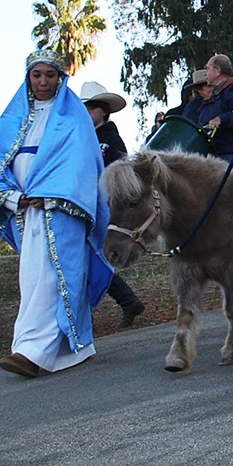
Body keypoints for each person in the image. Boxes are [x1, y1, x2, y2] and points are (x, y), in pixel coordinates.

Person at [0, 50, 114, 377]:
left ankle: (31, 351)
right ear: (28, 77)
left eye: (49, 75)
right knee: (32, 279)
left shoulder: (74, 119)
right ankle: (57, 347)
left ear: (60, 78)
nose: (43, 82)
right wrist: (13, 198)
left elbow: (83, 165)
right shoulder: (11, 119)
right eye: (36, 75)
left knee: (56, 277)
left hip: (61, 210)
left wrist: (52, 194)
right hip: (26, 213)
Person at [80, 81, 146, 328]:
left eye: (92, 107)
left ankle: (126, 301)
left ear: (103, 111)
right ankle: (127, 301)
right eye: (84, 108)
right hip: (85, 203)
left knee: (94, 256)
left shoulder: (110, 139)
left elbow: (120, 171)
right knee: (88, 256)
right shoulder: (84, 138)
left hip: (103, 205)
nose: (87, 113)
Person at [195, 55, 233, 163]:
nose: (206, 73)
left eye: (208, 69)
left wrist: (222, 119)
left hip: (230, 156)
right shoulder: (215, 96)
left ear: (217, 71)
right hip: (213, 157)